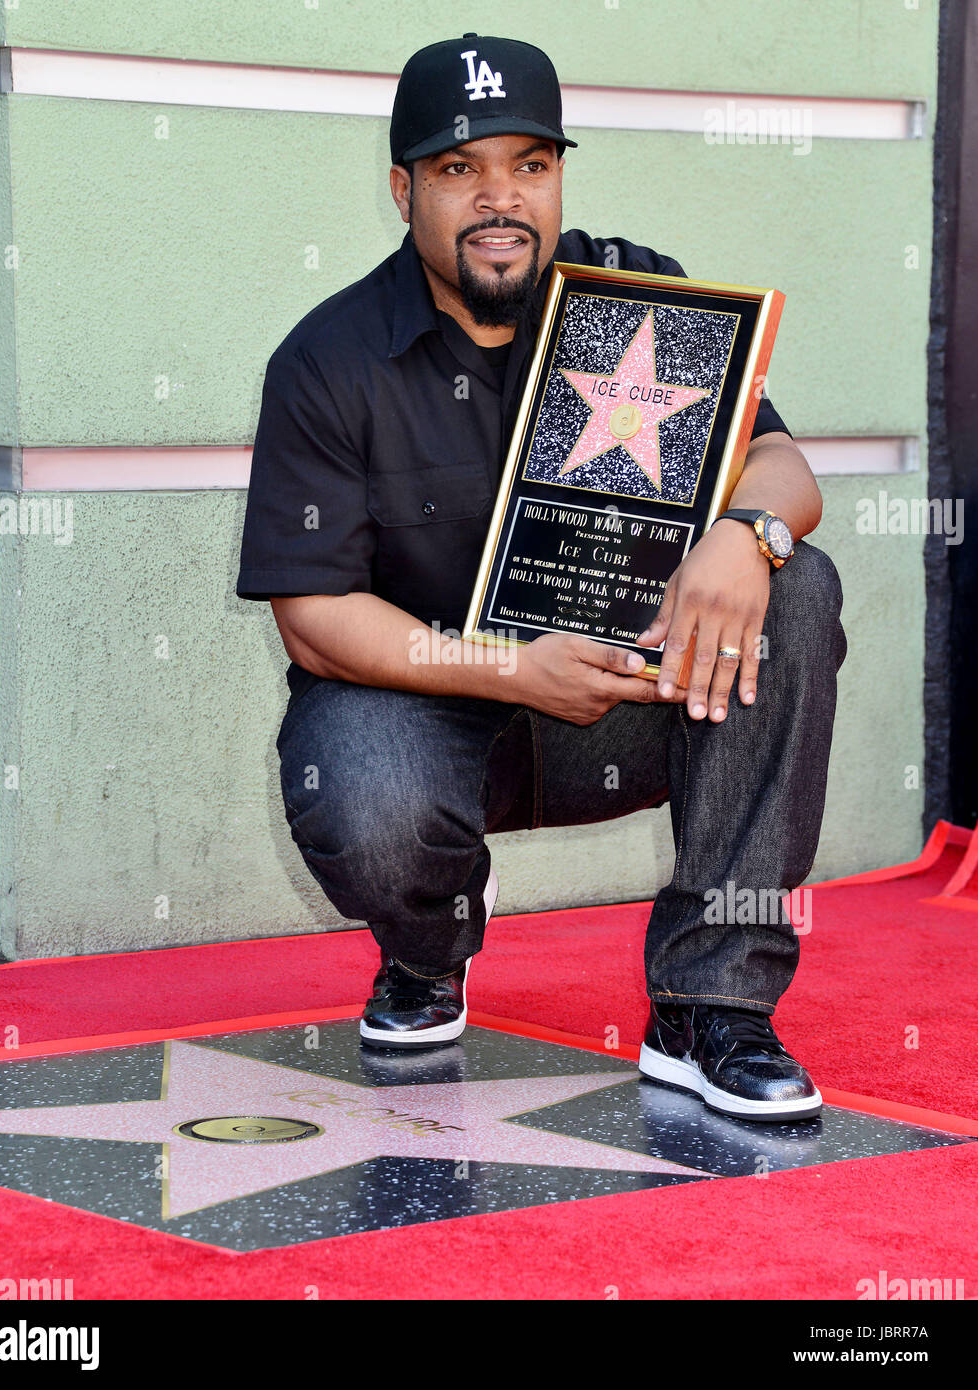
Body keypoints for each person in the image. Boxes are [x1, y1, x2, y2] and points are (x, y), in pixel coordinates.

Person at [237, 34, 848, 1122]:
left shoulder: (635, 298)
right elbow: (317, 622)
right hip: (427, 708)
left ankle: (711, 1005)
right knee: (362, 791)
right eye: (458, 169)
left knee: (795, 586)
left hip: (618, 700)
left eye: (529, 163)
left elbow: (784, 466)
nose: (498, 197)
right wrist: (515, 670)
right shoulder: (327, 361)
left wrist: (744, 533)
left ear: (560, 175)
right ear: (403, 188)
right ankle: (427, 955)